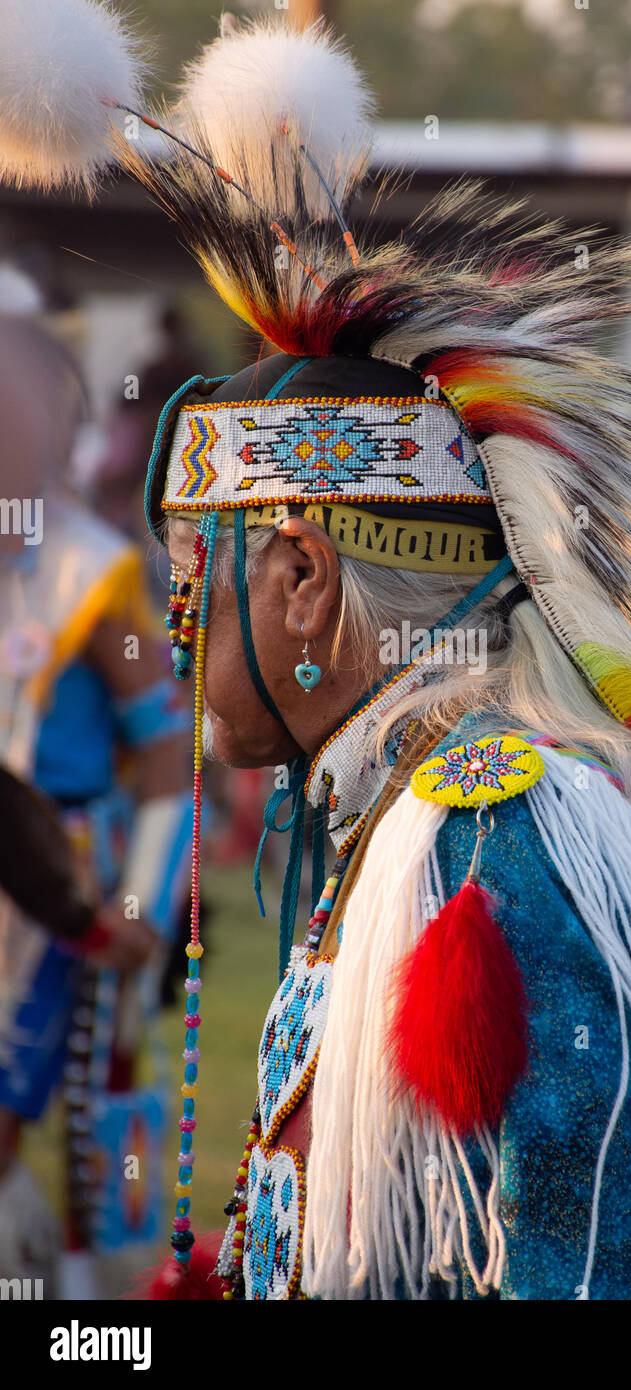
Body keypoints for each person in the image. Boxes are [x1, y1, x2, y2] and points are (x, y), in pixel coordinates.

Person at [1, 5, 631, 1301]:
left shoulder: (488, 828)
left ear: (299, 582)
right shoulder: (400, 816)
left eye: (194, 586)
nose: (172, 639)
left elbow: (591, 1269)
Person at [0, 314, 192, 1296]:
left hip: (68, 882)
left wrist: (139, 901)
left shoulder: (93, 574)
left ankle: (89, 1310)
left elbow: (165, 753)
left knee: (82, 1130)